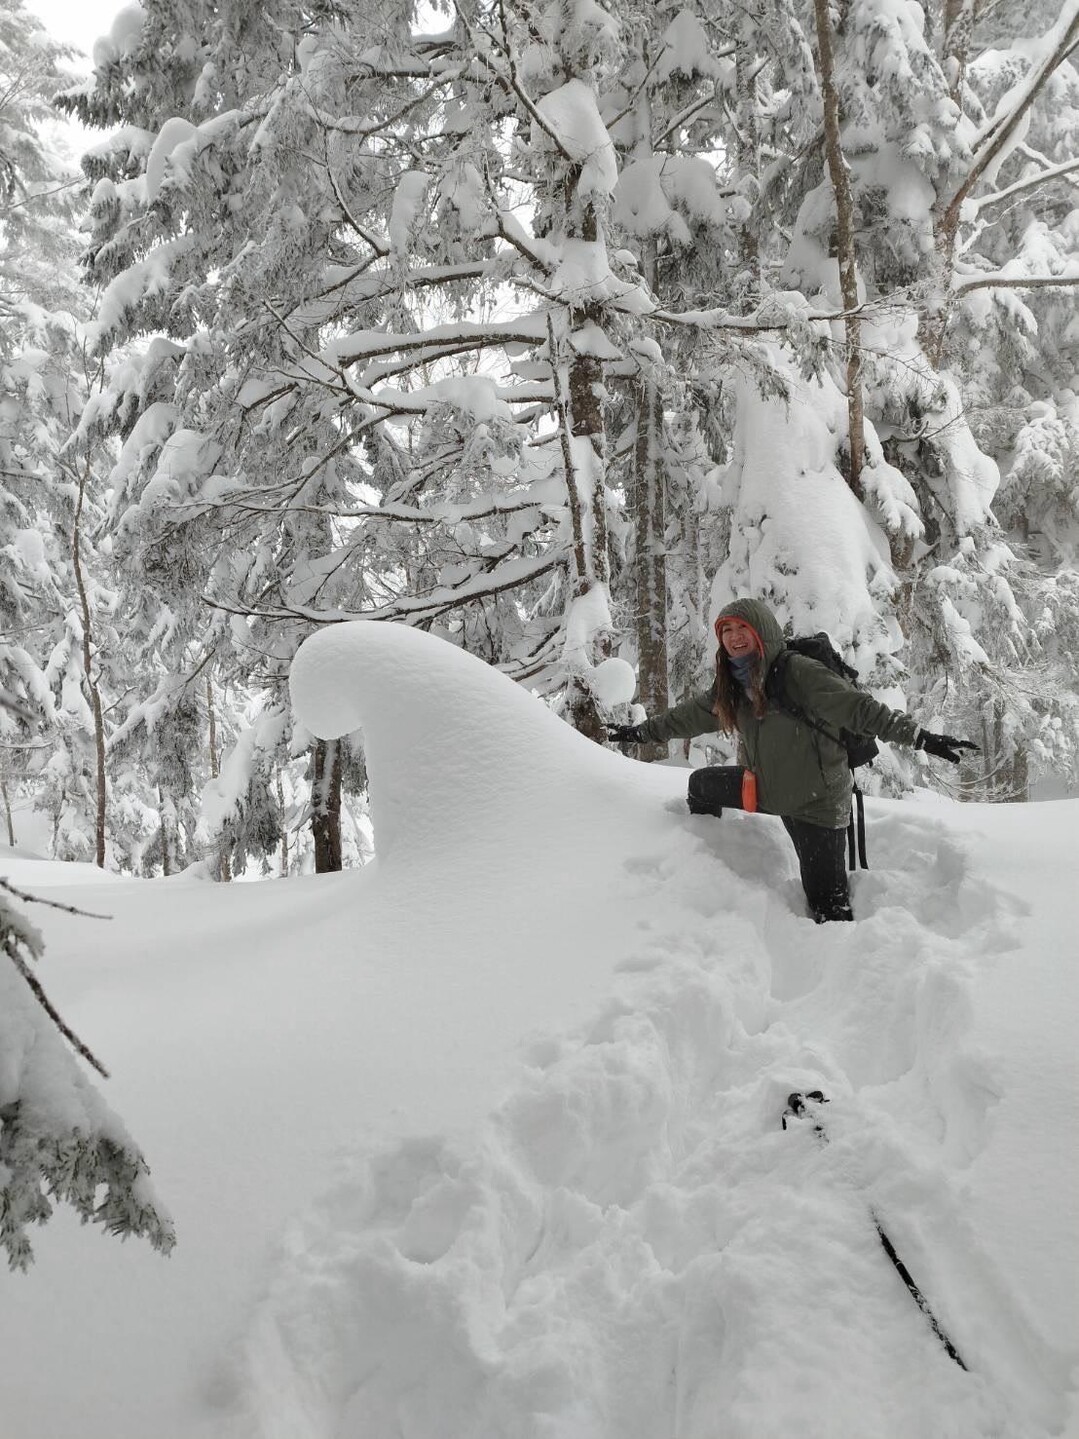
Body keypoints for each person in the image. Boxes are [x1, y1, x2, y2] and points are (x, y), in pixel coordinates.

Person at [607, 597, 978, 923]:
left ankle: (843, 954)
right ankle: (710, 851)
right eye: (727, 630)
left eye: (743, 628)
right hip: (764, 789)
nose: (734, 637)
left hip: (817, 806)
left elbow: (859, 709)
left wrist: (920, 737)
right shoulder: (733, 684)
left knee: (827, 907)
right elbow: (690, 716)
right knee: (700, 786)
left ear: (762, 632)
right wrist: (642, 733)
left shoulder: (798, 673)